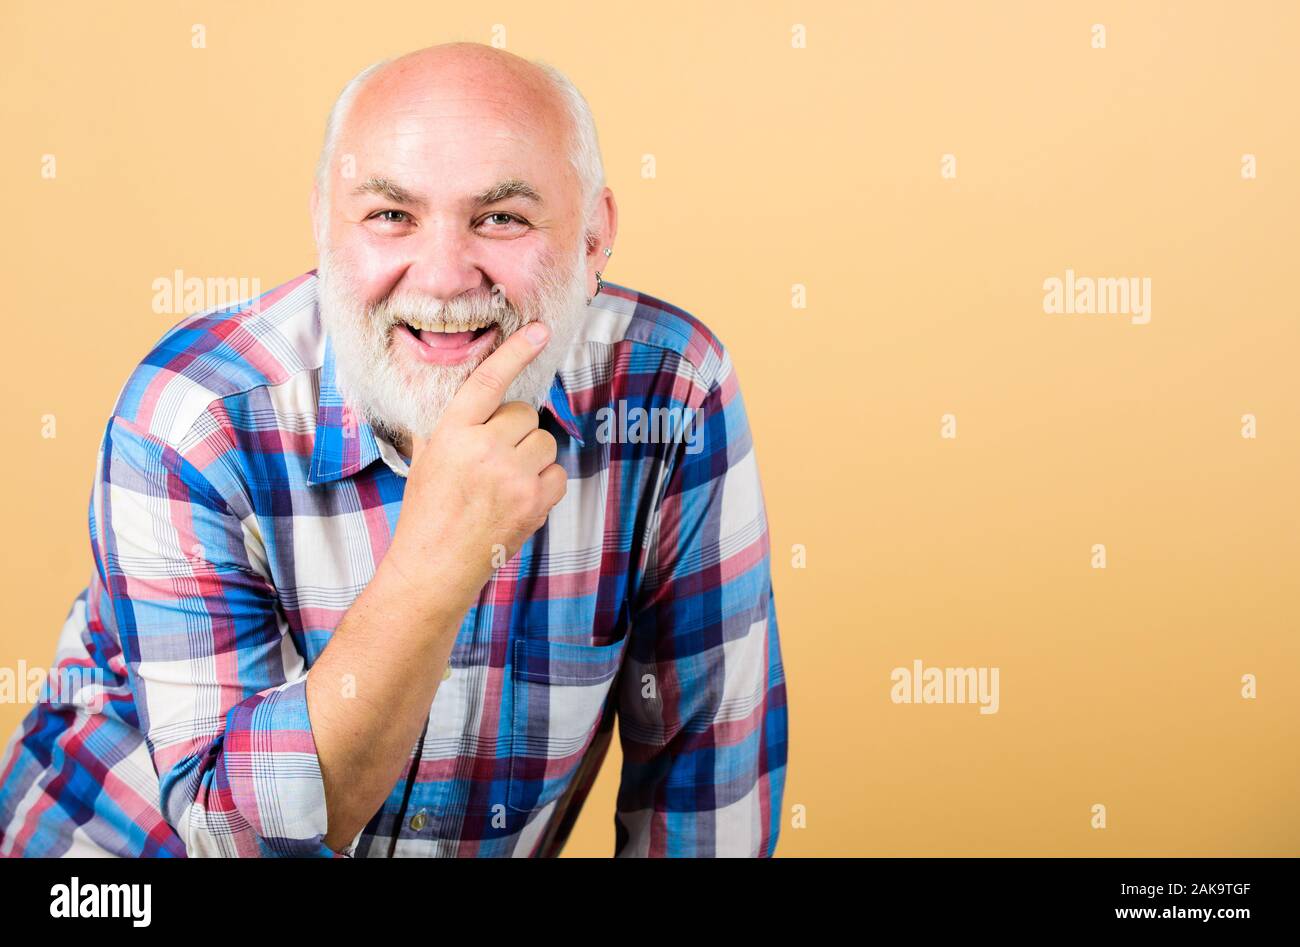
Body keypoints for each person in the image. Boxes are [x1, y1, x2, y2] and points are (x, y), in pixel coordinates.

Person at [0, 41, 787, 857]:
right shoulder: (193, 418)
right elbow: (232, 842)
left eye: (501, 218)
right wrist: (436, 562)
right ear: (322, 226)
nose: (444, 280)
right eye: (390, 216)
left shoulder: (670, 394)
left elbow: (705, 801)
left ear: (594, 238)